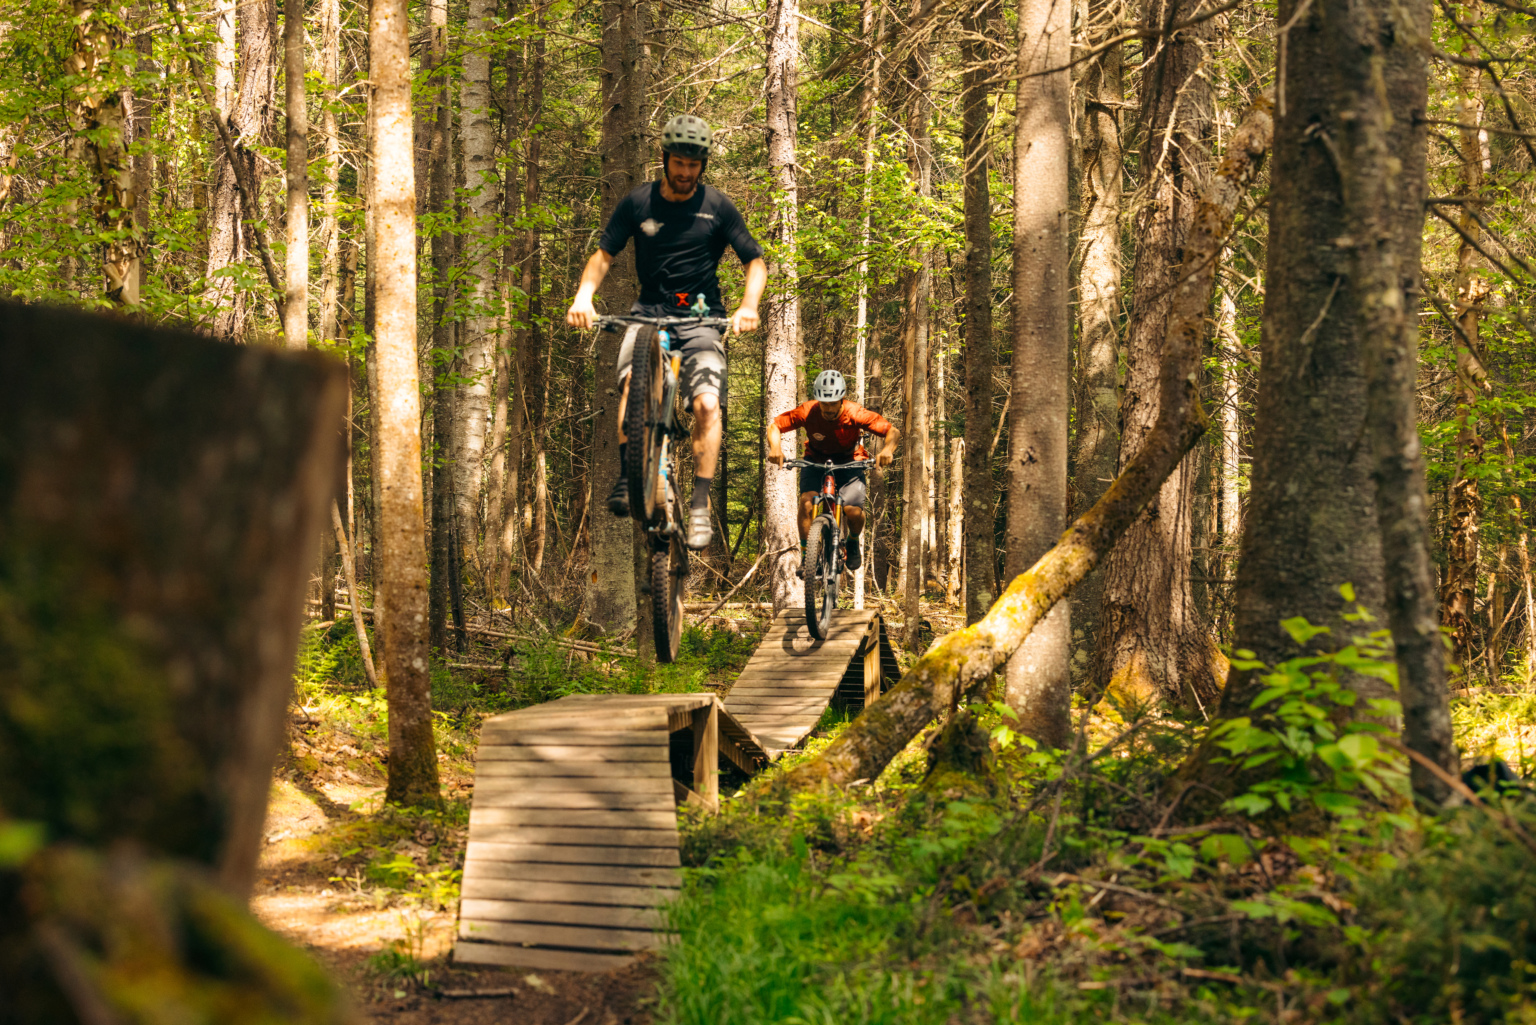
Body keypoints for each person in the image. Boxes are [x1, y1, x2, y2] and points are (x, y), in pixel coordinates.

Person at [565, 114, 768, 551]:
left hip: (702, 319)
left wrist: (748, 306)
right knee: (630, 389)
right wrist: (584, 297)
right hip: (648, 314)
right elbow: (604, 256)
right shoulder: (638, 203)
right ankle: (628, 475)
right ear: (664, 159)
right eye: (679, 162)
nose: (685, 172)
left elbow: (755, 261)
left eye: (694, 165)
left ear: (703, 166)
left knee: (707, 405)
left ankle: (698, 504)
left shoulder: (718, 206)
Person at [766, 369, 899, 573]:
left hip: (850, 463)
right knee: (807, 503)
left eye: (832, 403)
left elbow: (892, 431)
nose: (827, 408)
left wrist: (887, 450)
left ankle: (852, 542)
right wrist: (776, 449)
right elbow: (774, 427)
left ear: (842, 400)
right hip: (816, 461)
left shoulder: (854, 413)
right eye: (823, 402)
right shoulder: (807, 411)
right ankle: (806, 557)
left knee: (853, 512)